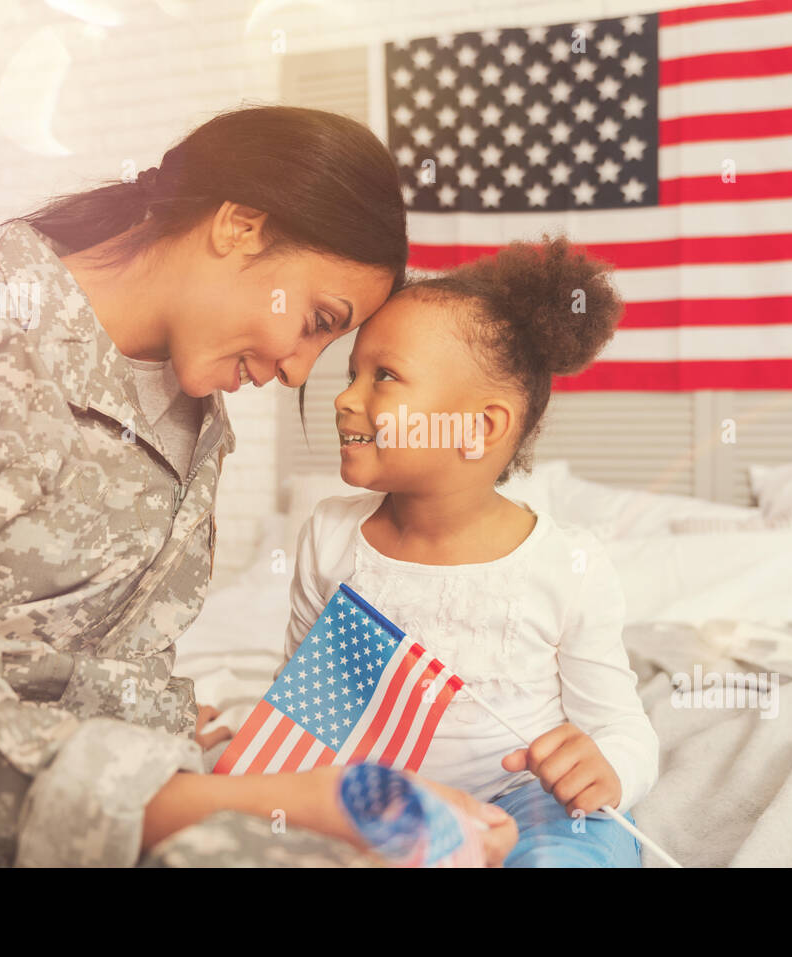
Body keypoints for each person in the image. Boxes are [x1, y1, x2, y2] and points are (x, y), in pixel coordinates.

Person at [0, 104, 517, 867]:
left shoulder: (194, 420)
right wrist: (255, 801)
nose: (300, 370)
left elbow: (103, 669)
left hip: (89, 810)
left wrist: (176, 742)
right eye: (315, 320)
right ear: (240, 226)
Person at [282, 235, 658, 866]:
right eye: (353, 374)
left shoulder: (566, 566)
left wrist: (608, 768)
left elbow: (624, 728)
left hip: (523, 796)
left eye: (385, 377)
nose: (346, 398)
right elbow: (303, 708)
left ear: (479, 427)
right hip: (382, 802)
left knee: (582, 846)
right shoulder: (330, 535)